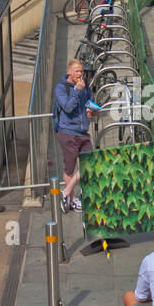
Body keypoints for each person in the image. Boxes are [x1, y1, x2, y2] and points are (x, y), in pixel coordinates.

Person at [53, 59, 92, 211]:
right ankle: (73, 199)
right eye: (77, 71)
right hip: (67, 132)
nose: (80, 74)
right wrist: (76, 90)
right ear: (69, 71)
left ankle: (66, 191)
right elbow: (68, 107)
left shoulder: (85, 86)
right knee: (70, 167)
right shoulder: (61, 88)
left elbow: (89, 102)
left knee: (89, 162)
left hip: (83, 131)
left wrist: (93, 109)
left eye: (81, 71)